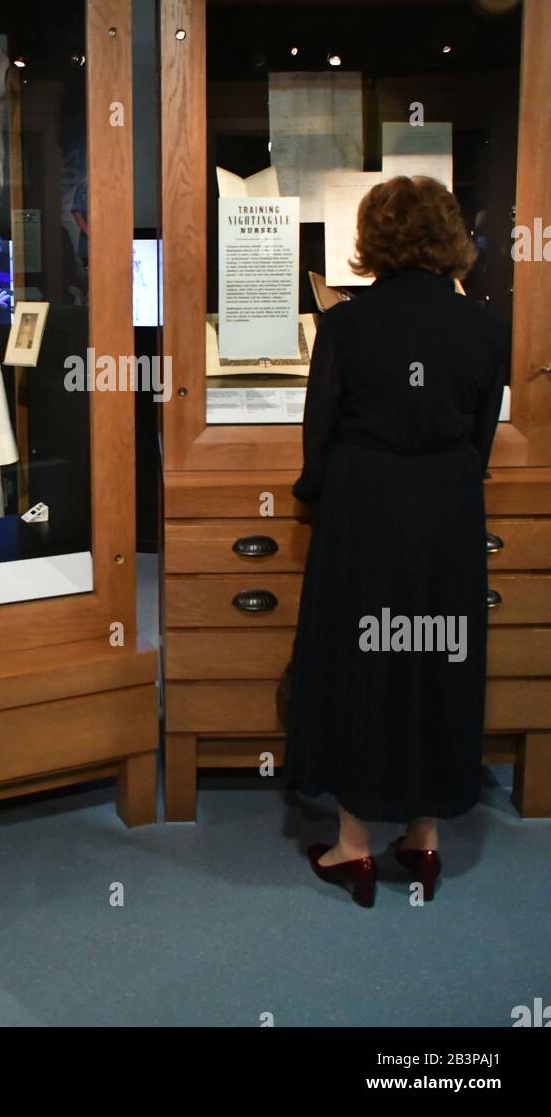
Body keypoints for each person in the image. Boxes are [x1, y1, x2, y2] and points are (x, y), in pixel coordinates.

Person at [285, 176, 509, 908]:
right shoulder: (482, 325)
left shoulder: (345, 324)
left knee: (360, 661)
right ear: (449, 238)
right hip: (446, 509)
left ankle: (352, 847)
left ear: (372, 240)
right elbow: (479, 442)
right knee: (435, 658)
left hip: (363, 508)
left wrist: (312, 497)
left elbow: (317, 442)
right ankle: (423, 839)